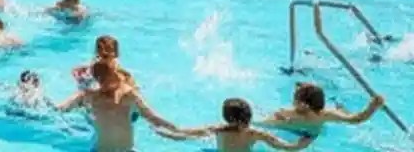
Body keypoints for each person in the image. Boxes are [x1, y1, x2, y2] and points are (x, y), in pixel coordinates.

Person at [56, 61, 178, 151]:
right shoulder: (86, 96)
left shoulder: (129, 96)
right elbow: (57, 110)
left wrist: (179, 130)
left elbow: (56, 111)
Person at [159, 97, 309, 150]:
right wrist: (303, 142)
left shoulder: (218, 129)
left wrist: (166, 132)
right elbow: (284, 147)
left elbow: (184, 134)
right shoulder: (254, 133)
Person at [260, 82, 386, 140]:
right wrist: (372, 107)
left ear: (304, 105)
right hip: (302, 133)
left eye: (295, 100)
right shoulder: (324, 115)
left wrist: (372, 106)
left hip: (302, 134)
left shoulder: (291, 116)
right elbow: (356, 119)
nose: (293, 102)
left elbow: (355, 119)